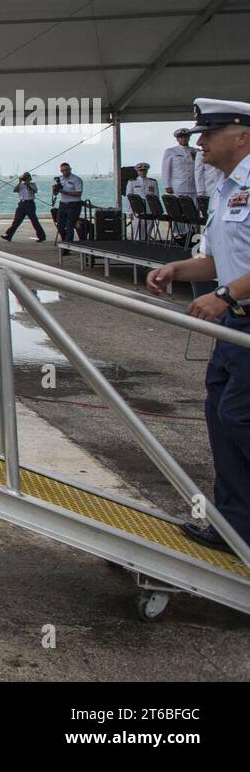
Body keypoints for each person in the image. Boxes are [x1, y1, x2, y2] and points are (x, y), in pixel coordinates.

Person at [145, 98, 250, 554]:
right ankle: (235, 526)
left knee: (239, 417)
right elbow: (218, 259)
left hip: (241, 317)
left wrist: (227, 294)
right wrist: (178, 269)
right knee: (220, 418)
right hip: (235, 328)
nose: (199, 143)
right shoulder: (226, 189)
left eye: (209, 133)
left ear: (242, 134)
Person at [163, 126, 199, 241]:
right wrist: (167, 184)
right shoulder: (171, 151)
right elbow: (166, 169)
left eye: (186, 136)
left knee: (192, 212)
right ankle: (177, 234)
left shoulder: (195, 151)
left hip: (193, 187)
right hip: (178, 187)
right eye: (181, 137)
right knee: (178, 212)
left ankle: (190, 234)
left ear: (189, 138)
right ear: (177, 139)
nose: (184, 139)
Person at [1, 172, 46, 242]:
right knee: (16, 221)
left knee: (34, 221)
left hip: (30, 204)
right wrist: (19, 182)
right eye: (24, 177)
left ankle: (42, 236)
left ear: (30, 178)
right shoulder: (21, 185)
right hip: (21, 204)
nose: (25, 179)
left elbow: (35, 191)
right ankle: (9, 236)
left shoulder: (33, 184)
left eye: (27, 177)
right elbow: (14, 190)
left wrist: (28, 183)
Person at [125, 161, 160, 241]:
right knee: (138, 232)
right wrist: (129, 211)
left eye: (144, 170)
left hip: (150, 209)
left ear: (147, 171)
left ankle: (146, 247)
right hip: (137, 209)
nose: (143, 172)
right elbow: (129, 198)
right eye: (141, 171)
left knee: (148, 230)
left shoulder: (153, 182)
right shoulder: (132, 182)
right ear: (137, 171)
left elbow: (156, 197)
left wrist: (157, 210)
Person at [51, 162, 85, 242]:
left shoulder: (76, 179)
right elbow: (56, 193)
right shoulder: (59, 179)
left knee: (70, 226)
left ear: (70, 169)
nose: (64, 172)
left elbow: (78, 193)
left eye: (66, 170)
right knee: (59, 225)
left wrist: (64, 192)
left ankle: (67, 246)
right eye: (62, 170)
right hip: (63, 204)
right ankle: (65, 241)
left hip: (74, 204)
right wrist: (55, 189)